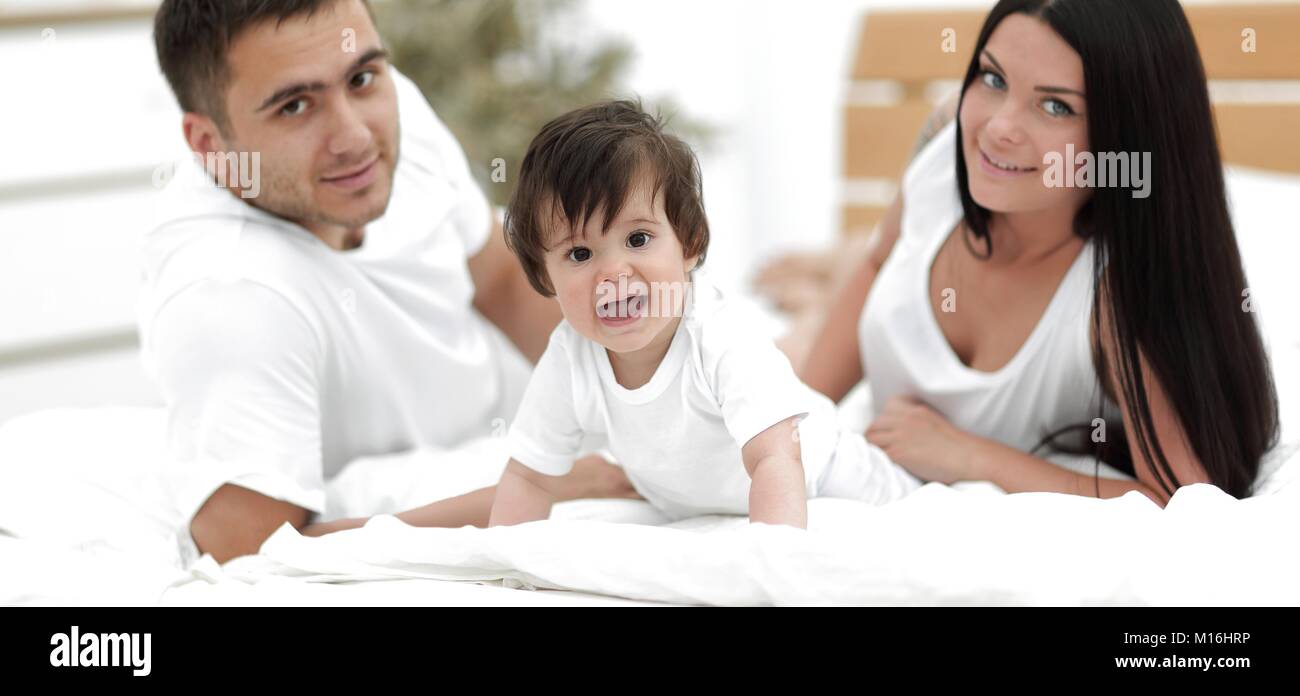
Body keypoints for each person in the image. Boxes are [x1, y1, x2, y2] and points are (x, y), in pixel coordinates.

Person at [143, 0, 634, 564]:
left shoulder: (380, 107)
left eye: (362, 77)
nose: (354, 137)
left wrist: (663, 377)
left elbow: (499, 279)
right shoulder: (229, 293)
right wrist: (538, 493)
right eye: (295, 106)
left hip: (517, 439)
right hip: (451, 497)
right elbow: (251, 553)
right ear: (210, 145)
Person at [796, 0, 1278, 506]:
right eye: (993, 78)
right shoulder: (946, 142)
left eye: (1056, 106)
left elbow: (1180, 499)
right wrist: (794, 409)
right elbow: (879, 263)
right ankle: (808, 289)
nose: (999, 127)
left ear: (1124, 139)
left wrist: (971, 456)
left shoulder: (1119, 298)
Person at [482, 101, 922, 529]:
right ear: (544, 276)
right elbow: (528, 478)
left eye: (637, 239)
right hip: (691, 503)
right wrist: (508, 569)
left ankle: (819, 289)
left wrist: (772, 562)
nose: (613, 272)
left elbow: (776, 457)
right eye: (580, 253)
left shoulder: (718, 336)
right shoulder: (570, 355)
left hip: (824, 478)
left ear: (689, 244)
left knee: (916, 512)